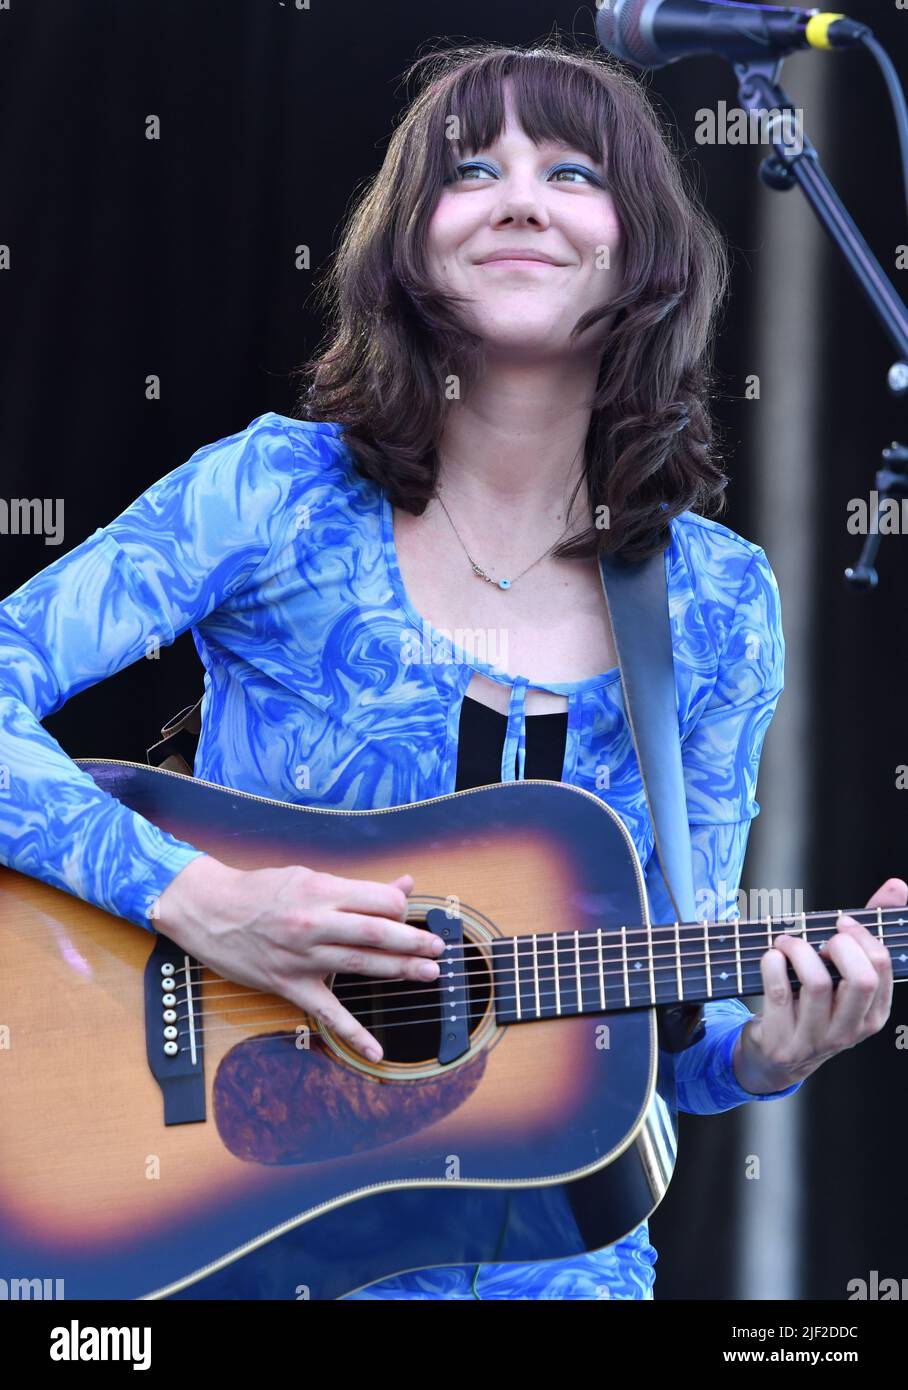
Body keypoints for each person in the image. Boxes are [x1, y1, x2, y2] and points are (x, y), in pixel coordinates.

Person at [0, 41, 901, 1301]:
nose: (520, 196)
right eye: (470, 169)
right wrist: (194, 899)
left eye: (572, 171)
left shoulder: (714, 600)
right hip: (235, 1243)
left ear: (641, 250)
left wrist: (767, 1056)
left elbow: (666, 1033)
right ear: (408, 245)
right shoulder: (272, 495)